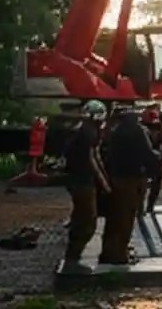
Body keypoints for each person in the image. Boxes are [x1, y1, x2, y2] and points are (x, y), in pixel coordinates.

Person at [99, 109, 159, 264]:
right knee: (126, 217)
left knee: (113, 217)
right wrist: (158, 160)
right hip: (131, 178)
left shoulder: (114, 132)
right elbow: (147, 153)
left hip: (115, 177)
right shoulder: (138, 131)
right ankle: (119, 254)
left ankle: (108, 251)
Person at [61, 100, 110, 275]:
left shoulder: (83, 130)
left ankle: (72, 258)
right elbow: (92, 158)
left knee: (80, 217)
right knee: (87, 221)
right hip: (82, 181)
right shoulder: (88, 132)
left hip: (77, 179)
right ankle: (72, 261)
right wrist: (104, 183)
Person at [141, 106, 162, 215]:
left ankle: (149, 206)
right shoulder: (144, 130)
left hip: (157, 157)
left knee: (156, 182)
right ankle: (143, 206)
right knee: (144, 182)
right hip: (150, 157)